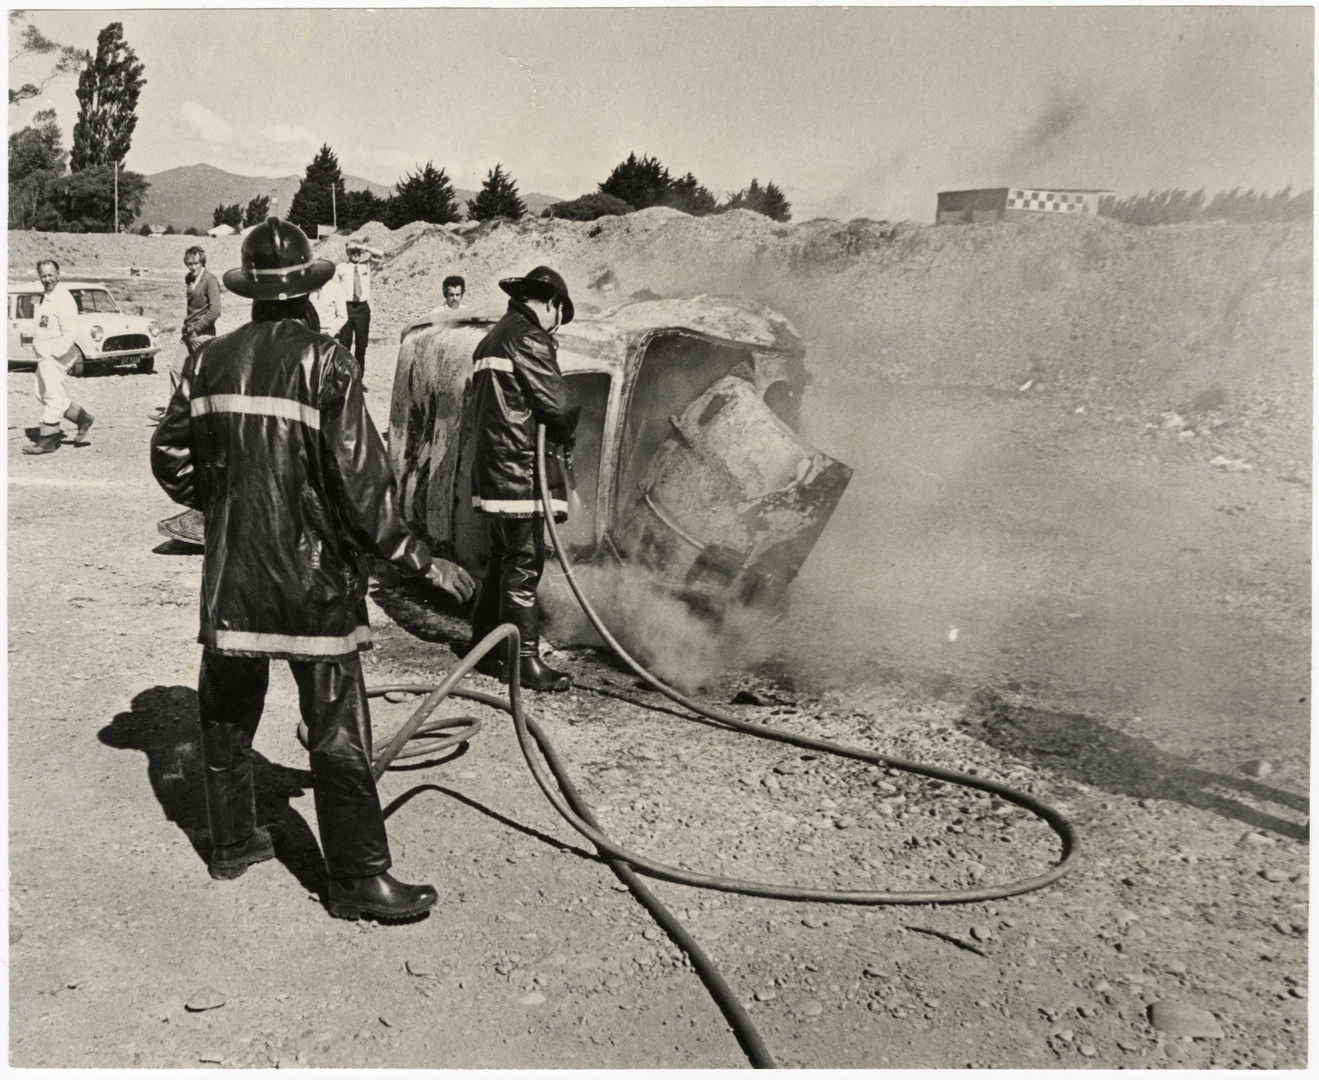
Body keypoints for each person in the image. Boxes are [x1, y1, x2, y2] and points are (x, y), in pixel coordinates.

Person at [150, 217, 475, 921]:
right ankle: (358, 879)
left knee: (227, 713)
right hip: (312, 582)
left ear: (250, 293)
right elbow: (363, 489)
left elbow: (170, 460)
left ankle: (232, 842)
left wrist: (229, 503)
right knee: (336, 727)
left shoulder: (208, 361)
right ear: (305, 292)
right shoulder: (326, 361)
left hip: (233, 579)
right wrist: (420, 563)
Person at [464, 266, 580, 692]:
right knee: (525, 562)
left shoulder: (493, 336)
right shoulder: (529, 337)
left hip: (496, 471)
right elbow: (560, 405)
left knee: (503, 556)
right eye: (558, 317)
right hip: (521, 471)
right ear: (550, 305)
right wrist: (570, 435)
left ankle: (483, 643)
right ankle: (523, 661)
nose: (555, 327)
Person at [24, 259, 94, 456]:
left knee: (53, 396)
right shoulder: (46, 296)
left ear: (58, 274)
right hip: (44, 354)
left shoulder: (63, 298)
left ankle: (47, 440)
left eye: (50, 275)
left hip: (55, 355)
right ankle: (83, 418)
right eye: (43, 276)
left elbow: (70, 333)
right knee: (40, 391)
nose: (47, 279)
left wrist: (56, 354)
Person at [334, 240, 380, 374]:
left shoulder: (366, 266)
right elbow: (335, 290)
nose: (356, 253)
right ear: (347, 252)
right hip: (346, 308)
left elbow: (381, 254)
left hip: (362, 310)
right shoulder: (341, 268)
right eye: (352, 250)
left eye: (358, 251)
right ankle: (344, 378)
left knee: (361, 345)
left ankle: (358, 379)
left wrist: (363, 247)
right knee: (345, 345)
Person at [309, 270, 348, 340]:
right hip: (312, 334)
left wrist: (330, 333)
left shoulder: (337, 289)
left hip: (330, 335)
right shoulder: (309, 288)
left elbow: (343, 316)